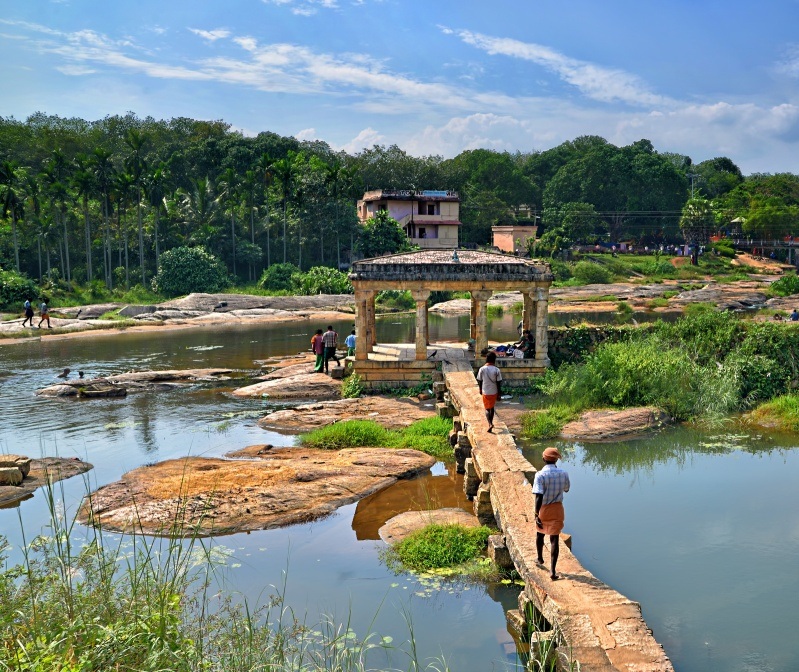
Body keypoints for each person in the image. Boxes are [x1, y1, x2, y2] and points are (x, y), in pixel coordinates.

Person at [533, 447, 570, 581]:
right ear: (556, 460)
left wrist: (536, 513)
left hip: (543, 508)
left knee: (540, 534)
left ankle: (540, 558)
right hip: (557, 508)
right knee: (554, 540)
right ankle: (553, 571)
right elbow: (566, 489)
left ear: (543, 459)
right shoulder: (563, 473)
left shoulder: (540, 475)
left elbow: (538, 496)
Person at [476, 351, 502, 432]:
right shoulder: (497, 370)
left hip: (485, 391)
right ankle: (491, 422)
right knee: (492, 407)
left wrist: (480, 389)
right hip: (494, 392)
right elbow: (499, 383)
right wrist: (499, 393)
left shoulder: (482, 369)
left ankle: (490, 423)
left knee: (487, 408)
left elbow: (479, 380)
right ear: (494, 360)